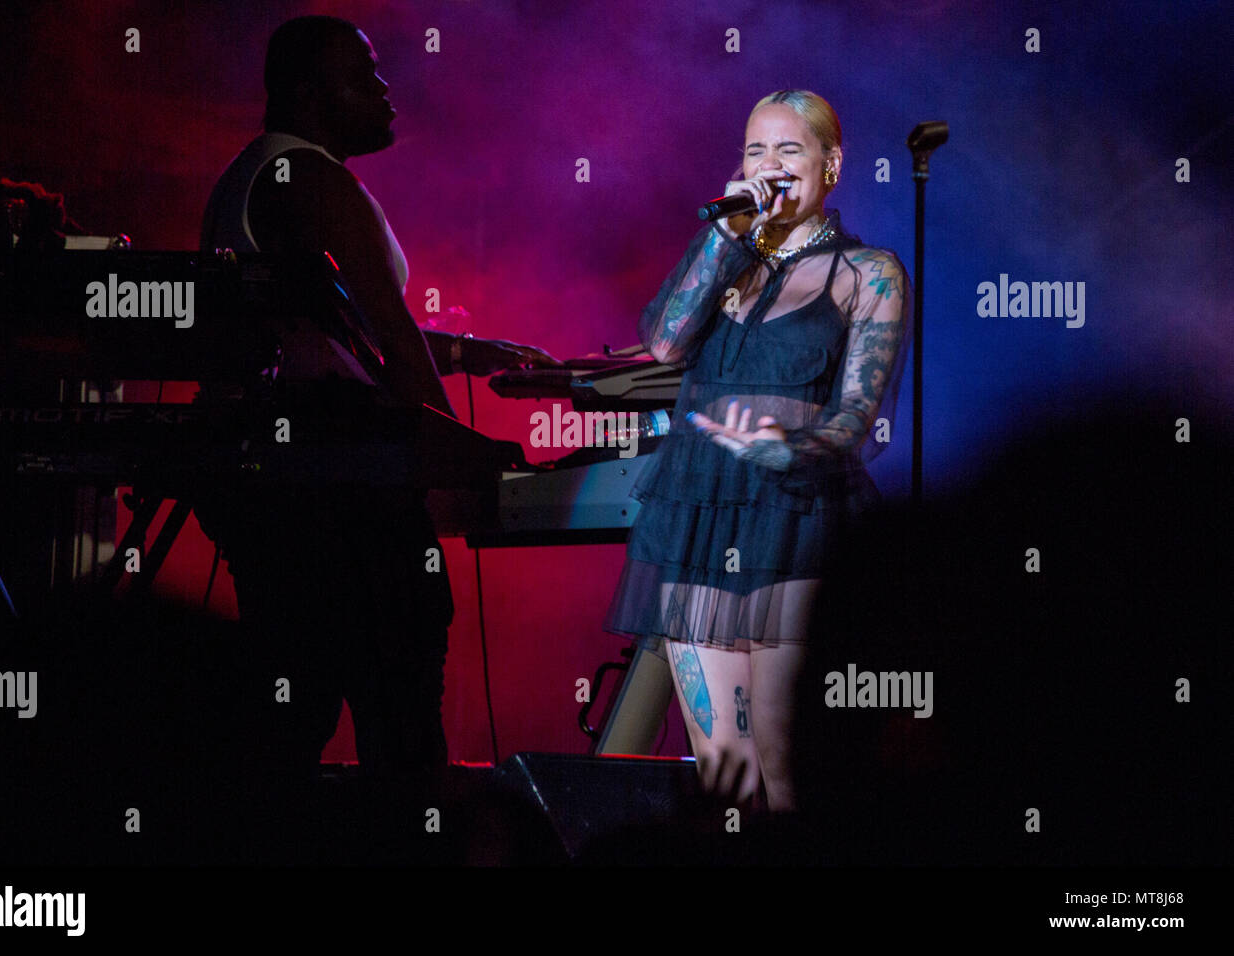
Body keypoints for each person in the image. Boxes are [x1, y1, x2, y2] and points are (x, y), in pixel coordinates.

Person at [196, 15, 557, 792]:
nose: (387, 89)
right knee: (401, 734)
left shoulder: (254, 174)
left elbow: (335, 325)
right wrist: (460, 461)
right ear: (309, 91)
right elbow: (390, 348)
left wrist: (466, 351)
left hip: (288, 489)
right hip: (347, 497)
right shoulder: (314, 179)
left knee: (293, 714)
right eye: (365, 74)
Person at [604, 90, 910, 812]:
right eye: (754, 151)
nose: (768, 166)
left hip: (796, 516)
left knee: (786, 762)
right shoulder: (726, 258)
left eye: (789, 150)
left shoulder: (869, 272)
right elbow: (665, 341)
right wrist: (726, 235)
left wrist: (790, 447)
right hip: (698, 513)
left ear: (831, 166)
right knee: (726, 778)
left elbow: (856, 416)